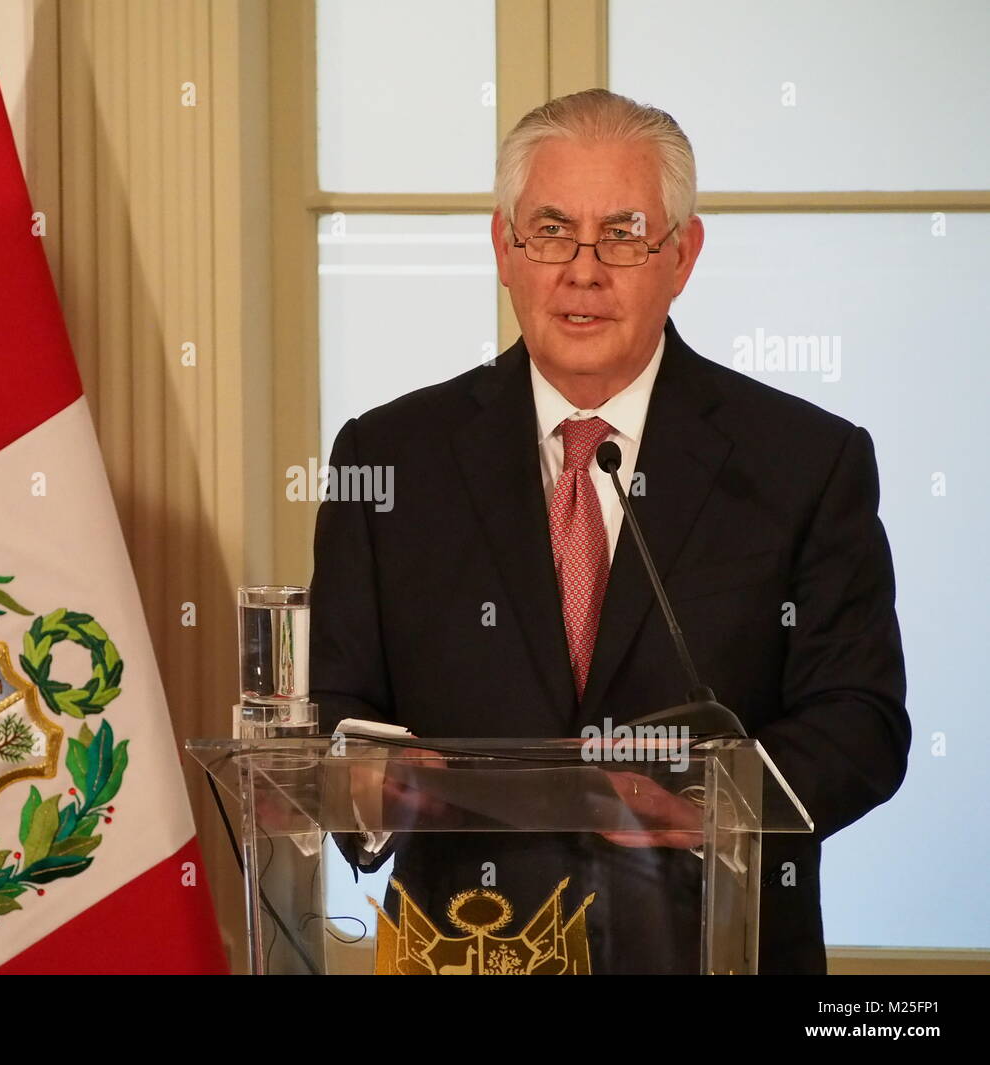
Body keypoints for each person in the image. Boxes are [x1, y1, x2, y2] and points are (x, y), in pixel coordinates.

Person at [308, 89, 909, 974]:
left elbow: (861, 723)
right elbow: (328, 710)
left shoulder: (805, 461)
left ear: (683, 255)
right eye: (550, 232)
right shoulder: (389, 456)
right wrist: (370, 782)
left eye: (623, 234)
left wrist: (716, 803)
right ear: (504, 250)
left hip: (711, 944)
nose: (583, 270)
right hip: (469, 945)